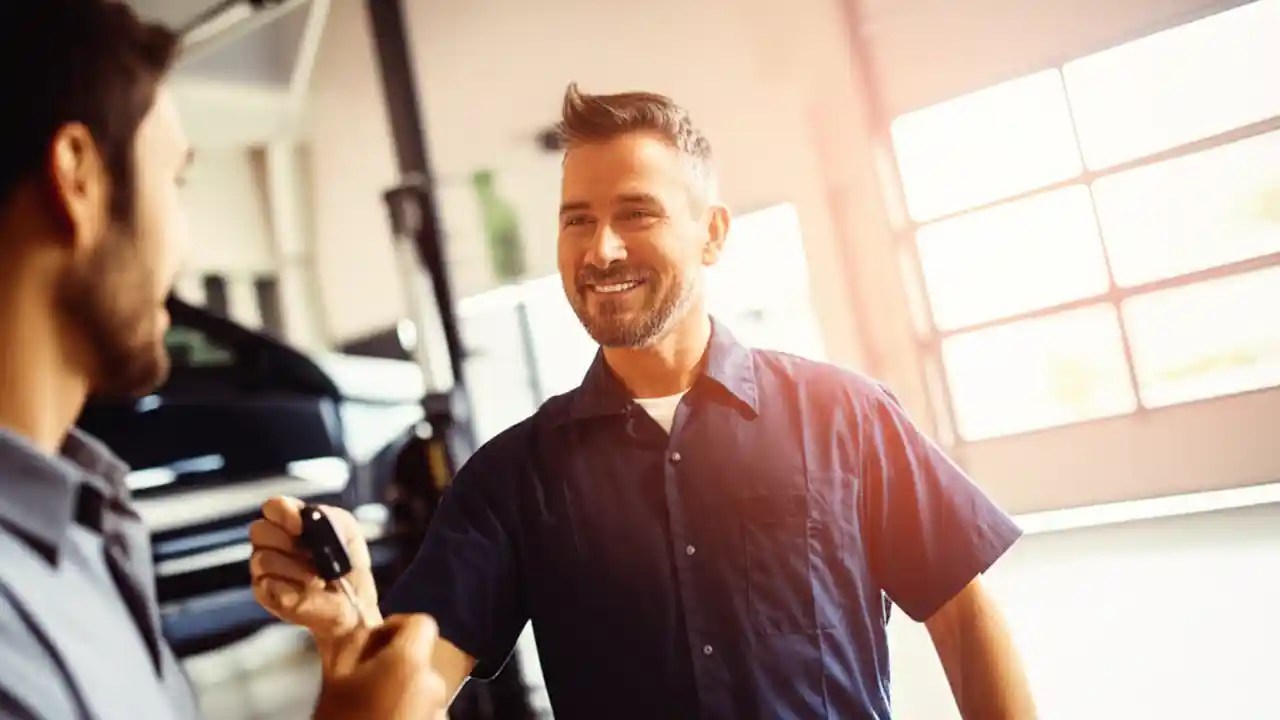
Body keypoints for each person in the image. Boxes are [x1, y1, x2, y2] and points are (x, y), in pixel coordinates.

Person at [252, 84, 1038, 719]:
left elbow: (964, 622)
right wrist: (345, 634)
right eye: (578, 221)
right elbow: (416, 681)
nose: (601, 249)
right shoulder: (513, 478)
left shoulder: (845, 415)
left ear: (713, 233)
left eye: (636, 213)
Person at [0, 2, 447, 718]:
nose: (183, 246)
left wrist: (343, 676)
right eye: (174, 181)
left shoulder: (85, 528)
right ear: (77, 176)